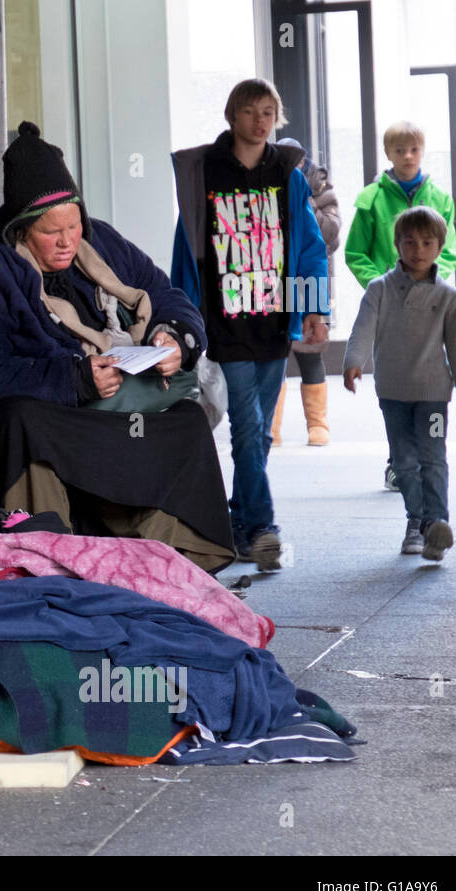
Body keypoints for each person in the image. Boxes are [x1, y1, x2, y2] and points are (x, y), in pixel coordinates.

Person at [0, 121, 234, 571]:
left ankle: (177, 553)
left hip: (109, 402)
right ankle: (53, 552)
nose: (69, 240)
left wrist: (176, 336)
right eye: (52, 232)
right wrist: (74, 379)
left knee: (186, 419)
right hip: (42, 409)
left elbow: (165, 294)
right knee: (22, 418)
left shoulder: (100, 241)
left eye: (74, 225)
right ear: (22, 228)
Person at [170, 78, 330, 572]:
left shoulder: (288, 176)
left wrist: (313, 310)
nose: (260, 121)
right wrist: (184, 322)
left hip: (274, 321)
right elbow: (187, 252)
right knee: (247, 424)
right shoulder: (204, 174)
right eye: (250, 111)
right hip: (227, 323)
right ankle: (263, 527)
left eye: (268, 112)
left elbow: (307, 247)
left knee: (257, 436)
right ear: (232, 115)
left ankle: (237, 525)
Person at [343, 120, 456, 491]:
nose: (408, 156)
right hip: (391, 302)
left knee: (430, 373)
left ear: (423, 150)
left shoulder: (441, 198)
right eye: (400, 150)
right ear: (389, 154)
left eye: (414, 149)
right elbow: (355, 252)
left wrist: (433, 277)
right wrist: (379, 283)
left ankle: (425, 463)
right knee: (397, 376)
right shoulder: (371, 200)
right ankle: (397, 460)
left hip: (431, 302)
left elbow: (449, 252)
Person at [343, 206, 456, 562]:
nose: (418, 249)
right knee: (403, 463)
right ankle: (418, 520)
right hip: (393, 394)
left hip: (433, 396)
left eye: (427, 242)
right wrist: (353, 361)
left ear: (440, 247)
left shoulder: (448, 297)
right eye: (409, 241)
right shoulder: (380, 290)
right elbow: (362, 329)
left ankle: (436, 522)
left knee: (433, 459)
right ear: (397, 244)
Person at [269, 137, 340, 447]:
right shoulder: (270, 186)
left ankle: (317, 422)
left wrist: (306, 202)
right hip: (276, 283)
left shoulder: (321, 188)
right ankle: (271, 426)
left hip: (308, 280)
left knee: (311, 354)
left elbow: (330, 234)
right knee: (275, 357)